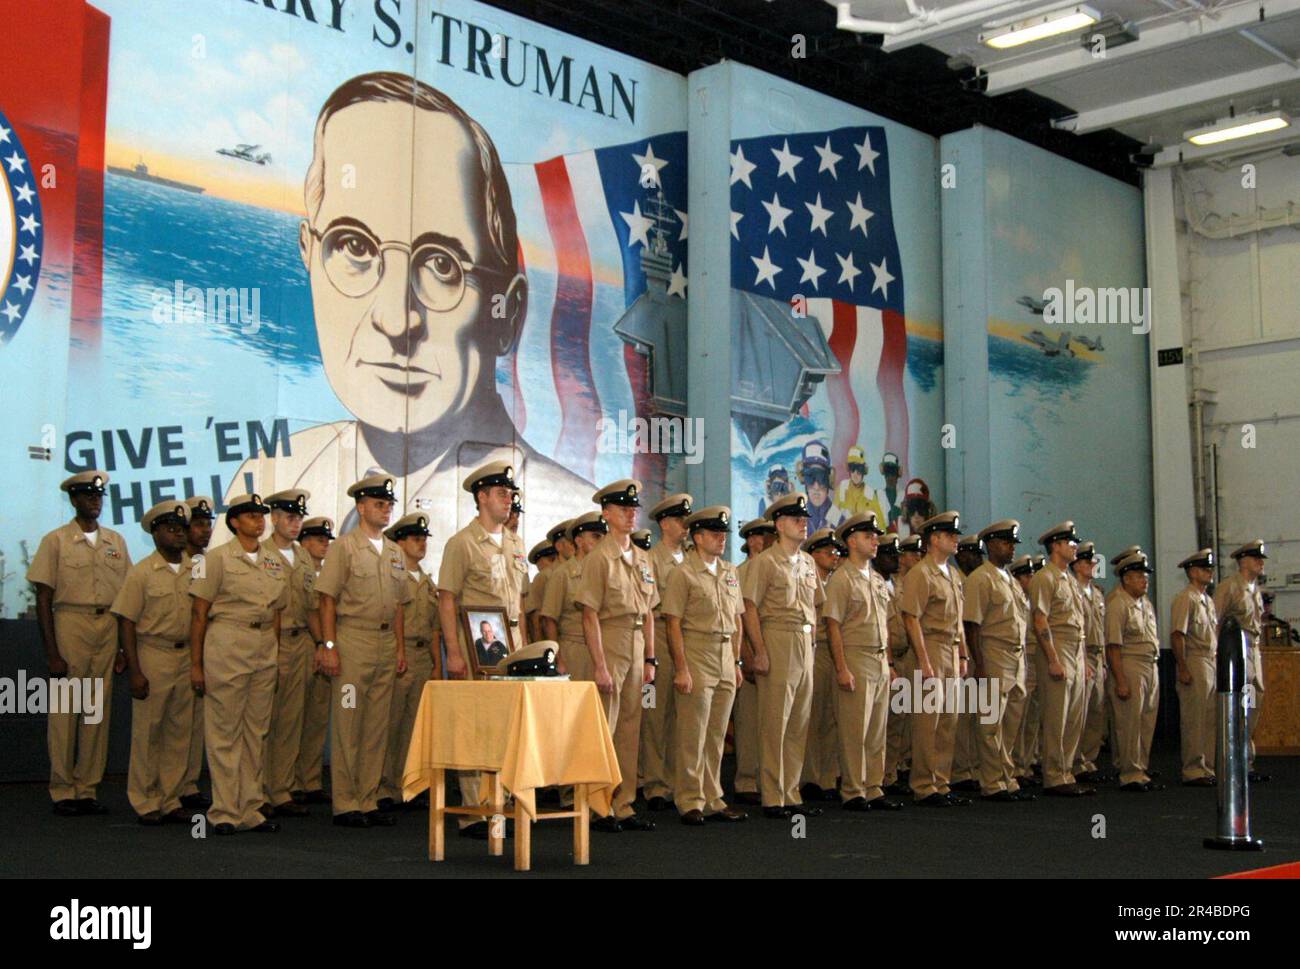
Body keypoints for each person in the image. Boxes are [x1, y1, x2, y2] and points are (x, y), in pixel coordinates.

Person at [227, 72, 592, 555]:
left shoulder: (565, 513)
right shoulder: (280, 471)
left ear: (507, 311)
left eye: (442, 265)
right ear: (309, 256)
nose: (397, 320)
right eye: (354, 246)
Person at [28, 470, 131, 816]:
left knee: (96, 710)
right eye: (88, 496)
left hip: (107, 625)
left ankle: (87, 788)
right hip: (70, 621)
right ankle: (62, 790)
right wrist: (52, 652)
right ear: (73, 500)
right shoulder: (55, 540)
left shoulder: (115, 542)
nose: (95, 502)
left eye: (99, 497)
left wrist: (121, 645)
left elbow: (127, 598)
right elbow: (44, 596)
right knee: (64, 710)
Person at [437, 461, 528, 837]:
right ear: (482, 497)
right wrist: (454, 653)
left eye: (511, 494)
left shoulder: (515, 542)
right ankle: (474, 811)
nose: (509, 500)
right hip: (477, 648)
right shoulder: (462, 544)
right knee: (477, 727)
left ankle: (501, 806)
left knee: (508, 728)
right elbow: (446, 599)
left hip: (513, 647)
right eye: (502, 494)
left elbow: (519, 604)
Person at [315, 474, 410, 829]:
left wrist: (400, 648)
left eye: (388, 505)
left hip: (385, 646)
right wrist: (329, 646)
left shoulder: (395, 552)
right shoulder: (344, 547)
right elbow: (327, 599)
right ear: (361, 507)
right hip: (353, 641)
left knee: (376, 726)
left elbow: (399, 606)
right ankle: (346, 801)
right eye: (378, 504)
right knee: (350, 721)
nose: (385, 511)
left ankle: (368, 798)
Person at [188, 493, 287, 835]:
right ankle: (225, 810)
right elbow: (199, 614)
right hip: (227, 642)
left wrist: (275, 654)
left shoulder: (273, 561)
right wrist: (196, 664)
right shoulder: (215, 560)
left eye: (261, 515)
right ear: (234, 522)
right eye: (250, 516)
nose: (259, 521)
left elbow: (277, 611)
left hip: (263, 647)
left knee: (255, 731)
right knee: (224, 732)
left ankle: (250, 808)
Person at [575, 479, 659, 832]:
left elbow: (650, 611)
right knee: (604, 728)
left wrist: (651, 659)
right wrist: (599, 665)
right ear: (607, 514)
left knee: (629, 728)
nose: (631, 514)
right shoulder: (599, 558)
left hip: (637, 642)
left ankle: (624, 803)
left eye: (633, 508)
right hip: (610, 640)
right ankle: (598, 804)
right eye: (623, 509)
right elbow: (589, 614)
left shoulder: (642, 558)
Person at [662, 505, 747, 825]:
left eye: (723, 533)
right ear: (697, 537)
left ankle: (713, 796)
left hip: (725, 654)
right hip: (697, 651)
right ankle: (689, 798)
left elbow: (737, 620)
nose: (721, 539)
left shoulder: (729, 571)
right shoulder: (683, 573)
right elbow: (673, 623)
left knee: (716, 734)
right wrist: (682, 668)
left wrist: (737, 662)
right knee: (692, 732)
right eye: (714, 534)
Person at [111, 501, 195, 825]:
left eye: (181, 528)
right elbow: (127, 622)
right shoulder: (142, 572)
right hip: (153, 653)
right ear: (155, 533)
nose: (178, 534)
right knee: (149, 732)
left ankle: (170, 798)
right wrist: (135, 670)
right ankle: (145, 800)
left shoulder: (195, 569)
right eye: (171, 528)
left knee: (179, 732)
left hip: (186, 654)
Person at [740, 492, 823, 819]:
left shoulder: (807, 562)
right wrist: (758, 651)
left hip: (804, 643)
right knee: (776, 721)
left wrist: (813, 642)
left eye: (804, 519)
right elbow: (749, 608)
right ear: (778, 524)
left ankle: (791, 792)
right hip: (777, 638)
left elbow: (816, 606)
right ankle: (773, 795)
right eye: (795, 519)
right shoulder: (764, 562)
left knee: (799, 722)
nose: (803, 524)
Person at [823, 511, 901, 811]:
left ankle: (873, 786)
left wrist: (891, 664)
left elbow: (886, 626)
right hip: (856, 656)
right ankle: (853, 789)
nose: (875, 541)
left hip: (879, 658)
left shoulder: (878, 580)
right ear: (852, 541)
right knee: (855, 729)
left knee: (877, 729)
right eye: (868, 536)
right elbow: (833, 625)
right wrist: (842, 667)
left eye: (875, 535)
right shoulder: (842, 579)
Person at [898, 511, 970, 807]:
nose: (955, 540)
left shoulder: (952, 574)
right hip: (930, 648)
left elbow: (959, 620)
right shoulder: (921, 574)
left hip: (951, 650)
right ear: (934, 539)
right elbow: (911, 618)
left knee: (948, 721)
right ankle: (924, 784)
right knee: (929, 721)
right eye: (950, 535)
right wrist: (924, 660)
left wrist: (963, 654)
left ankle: (941, 781)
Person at [962, 520, 1034, 802]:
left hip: (1015, 657)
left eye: (1013, 543)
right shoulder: (981, 578)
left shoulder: (1010, 580)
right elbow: (972, 626)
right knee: (990, 723)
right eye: (1006, 543)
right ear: (991, 545)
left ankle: (1007, 774)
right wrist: (979, 664)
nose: (1011, 549)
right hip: (992, 653)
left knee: (1011, 721)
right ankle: (992, 781)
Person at [379, 513, 441, 811]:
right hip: (398, 654)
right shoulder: (394, 576)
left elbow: (435, 627)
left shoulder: (428, 583)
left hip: (422, 657)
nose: (421, 544)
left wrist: (437, 664)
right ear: (399, 542)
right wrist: (397, 652)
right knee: (389, 722)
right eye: (415, 538)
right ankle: (383, 785)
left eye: (424, 538)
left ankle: (408, 783)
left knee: (415, 725)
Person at [260, 489, 315, 819]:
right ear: (275, 519)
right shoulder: (261, 554)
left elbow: (312, 605)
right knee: (264, 721)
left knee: (292, 720)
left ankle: (281, 789)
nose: (295, 524)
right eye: (290, 518)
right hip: (270, 642)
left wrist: (324, 645)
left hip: (301, 643)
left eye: (299, 518)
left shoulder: (304, 556)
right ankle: (257, 789)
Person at [1028, 522, 1093, 797]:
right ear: (1055, 545)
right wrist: (1053, 659)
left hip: (1075, 649)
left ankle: (1066, 771)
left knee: (1074, 716)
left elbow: (1079, 624)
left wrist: (1085, 659)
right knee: (1057, 716)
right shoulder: (1046, 577)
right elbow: (1040, 619)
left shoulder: (1068, 579)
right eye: (1069, 542)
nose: (1074, 546)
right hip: (1057, 648)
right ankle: (1054, 775)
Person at [640, 493, 693, 812]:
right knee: (655, 713)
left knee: (683, 715)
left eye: (687, 520)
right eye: (678, 520)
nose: (685, 526)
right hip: (659, 635)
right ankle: (655, 782)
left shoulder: (691, 558)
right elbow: (649, 605)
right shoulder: (650, 559)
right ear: (663, 523)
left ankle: (677, 781)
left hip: (688, 639)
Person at [1106, 551, 1163, 792]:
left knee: (1145, 720)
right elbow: (1113, 646)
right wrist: (1120, 680)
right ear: (1126, 578)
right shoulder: (1118, 604)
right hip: (1130, 664)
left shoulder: (1145, 602)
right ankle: (1130, 773)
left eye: (1145, 576)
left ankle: (1140, 766)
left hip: (1150, 664)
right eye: (1139, 576)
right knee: (1129, 722)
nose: (1144, 580)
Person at [1214, 540, 1270, 782]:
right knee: (1237, 708)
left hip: (1254, 651)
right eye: (1256, 558)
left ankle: (1246, 761)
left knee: (1252, 708)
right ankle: (1232, 763)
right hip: (1236, 649)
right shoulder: (1229, 587)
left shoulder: (1253, 588)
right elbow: (1215, 621)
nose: (1260, 563)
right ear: (1243, 561)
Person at [731, 517, 775, 805]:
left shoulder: (774, 566)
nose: (766, 540)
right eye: (760, 536)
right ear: (750, 541)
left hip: (776, 648)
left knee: (770, 719)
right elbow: (740, 615)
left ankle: (768, 778)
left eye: (769, 535)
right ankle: (746, 778)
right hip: (749, 649)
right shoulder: (741, 571)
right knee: (748, 718)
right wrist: (744, 654)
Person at [799, 527, 844, 802]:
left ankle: (828, 776)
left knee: (831, 718)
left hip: (834, 651)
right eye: (827, 551)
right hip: (813, 650)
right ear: (813, 555)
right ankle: (810, 777)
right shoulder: (807, 579)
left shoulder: (836, 582)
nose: (833, 556)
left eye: (835, 551)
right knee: (812, 718)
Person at [293, 516, 335, 804]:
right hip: (302, 643)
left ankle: (309, 779)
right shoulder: (298, 570)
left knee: (317, 717)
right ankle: (288, 781)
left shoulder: (329, 574)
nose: (324, 545)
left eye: (327, 540)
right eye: (319, 539)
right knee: (292, 717)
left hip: (327, 647)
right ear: (304, 542)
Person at [178, 495, 215, 812]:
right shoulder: (175, 561)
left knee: (195, 722)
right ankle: (166, 787)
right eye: (198, 525)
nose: (205, 531)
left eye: (208, 524)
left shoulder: (210, 563)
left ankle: (188, 784)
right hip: (168, 647)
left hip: (205, 649)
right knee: (169, 723)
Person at [1171, 548, 1218, 787]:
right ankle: (1193, 769)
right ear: (1191, 572)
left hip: (1211, 660)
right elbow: (1178, 635)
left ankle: (1207, 766)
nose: (1209, 572)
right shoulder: (1186, 598)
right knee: (1195, 718)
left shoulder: (1207, 600)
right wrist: (1183, 667)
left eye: (1210, 568)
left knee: (1210, 718)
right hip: (1195, 659)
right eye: (1203, 568)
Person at [883, 533, 923, 792]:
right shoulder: (882, 583)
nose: (899, 560)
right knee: (883, 721)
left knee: (900, 717)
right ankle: (882, 774)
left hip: (904, 655)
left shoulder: (901, 585)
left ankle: (894, 769)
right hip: (885, 657)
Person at [1070, 541, 1109, 784]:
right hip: (1079, 653)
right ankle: (1074, 761)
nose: (1092, 566)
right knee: (1078, 713)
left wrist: (1103, 662)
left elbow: (1101, 630)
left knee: (1096, 712)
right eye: (1087, 562)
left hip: (1097, 654)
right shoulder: (1072, 589)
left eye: (1093, 562)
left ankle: (1088, 759)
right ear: (1076, 565)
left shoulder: (1096, 593)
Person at [950, 534, 985, 794]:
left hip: (968, 653)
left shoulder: (973, 581)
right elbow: (966, 624)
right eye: (973, 553)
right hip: (956, 652)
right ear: (961, 555)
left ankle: (972, 766)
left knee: (974, 712)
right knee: (961, 715)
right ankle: (961, 769)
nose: (977, 558)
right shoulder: (958, 580)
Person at [1008, 553, 1043, 788]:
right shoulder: (1016, 597)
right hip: (1022, 656)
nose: (1033, 579)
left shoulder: (1032, 600)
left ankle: (1026, 761)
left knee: (1032, 717)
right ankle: (1017, 764)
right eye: (1029, 575)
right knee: (1018, 717)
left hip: (1032, 658)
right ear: (1019, 579)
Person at [833, 445, 886, 523]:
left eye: (859, 469)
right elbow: (831, 520)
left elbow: (880, 524)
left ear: (864, 470)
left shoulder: (870, 493)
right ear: (848, 469)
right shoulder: (842, 487)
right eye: (852, 468)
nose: (855, 473)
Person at [797, 442, 841, 533]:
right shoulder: (796, 517)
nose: (816, 487)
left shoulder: (838, 519)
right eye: (810, 477)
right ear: (804, 479)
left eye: (822, 478)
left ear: (829, 480)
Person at [523, 540, 557, 642]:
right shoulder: (544, 577)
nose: (555, 564)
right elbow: (535, 619)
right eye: (552, 560)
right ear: (539, 563)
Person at [879, 452, 903, 531]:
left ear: (898, 473)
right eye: (887, 472)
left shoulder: (904, 496)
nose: (890, 477)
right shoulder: (878, 496)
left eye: (893, 472)